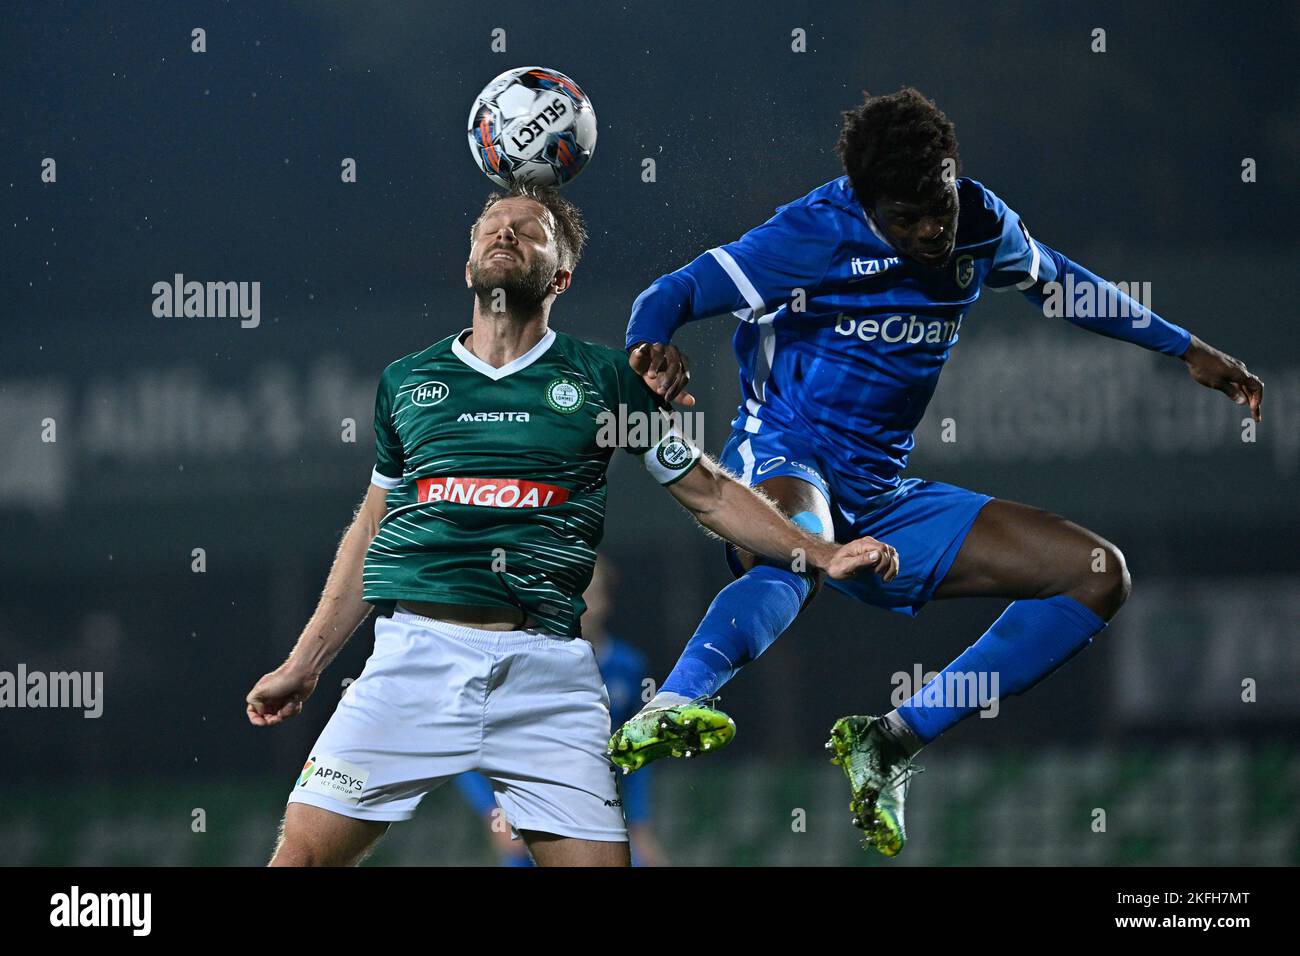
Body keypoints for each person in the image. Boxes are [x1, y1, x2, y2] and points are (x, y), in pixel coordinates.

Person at [608, 87, 1264, 856]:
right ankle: (677, 702)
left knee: (1096, 574)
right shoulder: (815, 232)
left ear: (955, 176)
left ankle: (891, 739)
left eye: (938, 207)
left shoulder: (982, 224)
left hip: (885, 493)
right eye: (905, 218)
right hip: (789, 449)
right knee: (796, 550)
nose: (930, 231)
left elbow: (1061, 282)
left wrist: (1184, 347)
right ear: (866, 202)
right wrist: (650, 347)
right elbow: (674, 291)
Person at [244, 182, 894, 867]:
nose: (505, 233)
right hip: (414, 660)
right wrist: (304, 663)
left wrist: (820, 553)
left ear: (560, 276)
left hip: (546, 675)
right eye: (491, 225)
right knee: (303, 861)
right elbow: (372, 527)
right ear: (468, 268)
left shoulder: (603, 380)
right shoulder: (407, 382)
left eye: (529, 229)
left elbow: (707, 492)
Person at [455, 557, 669, 866]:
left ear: (606, 601)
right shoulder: (520, 661)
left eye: (589, 593)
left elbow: (638, 752)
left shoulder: (629, 666)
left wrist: (639, 825)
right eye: (567, 592)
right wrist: (493, 812)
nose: (577, 604)